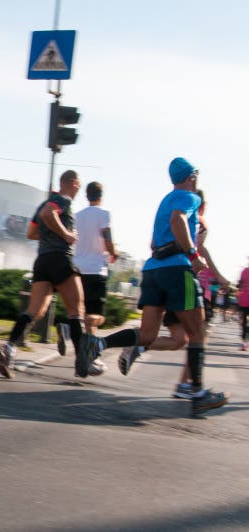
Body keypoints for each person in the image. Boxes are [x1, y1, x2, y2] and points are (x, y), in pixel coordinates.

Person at [80, 157, 228, 415]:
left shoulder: (165, 200)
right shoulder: (189, 197)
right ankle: (199, 393)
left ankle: (97, 345)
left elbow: (153, 242)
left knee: (147, 334)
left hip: (153, 269)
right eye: (196, 175)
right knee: (197, 332)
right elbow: (178, 221)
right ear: (191, 176)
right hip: (176, 269)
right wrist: (193, 255)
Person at [0, 170, 92, 379]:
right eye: (78, 186)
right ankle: (81, 360)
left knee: (34, 311)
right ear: (72, 183)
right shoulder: (62, 200)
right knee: (77, 310)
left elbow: (31, 232)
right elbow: (49, 214)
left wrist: (51, 234)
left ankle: (9, 348)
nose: (78, 190)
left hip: (43, 261)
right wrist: (66, 234)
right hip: (60, 259)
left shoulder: (44, 204)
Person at [58, 181, 118, 350]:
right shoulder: (104, 214)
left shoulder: (78, 215)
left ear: (86, 195)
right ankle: (68, 330)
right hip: (96, 270)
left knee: (80, 313)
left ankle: (90, 356)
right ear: (101, 196)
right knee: (97, 317)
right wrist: (114, 253)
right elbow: (108, 240)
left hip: (77, 270)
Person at [238, 261, 249, 351]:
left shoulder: (244, 271)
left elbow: (240, 285)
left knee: (244, 322)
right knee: (245, 322)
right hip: (244, 299)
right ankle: (246, 342)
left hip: (243, 300)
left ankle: (244, 343)